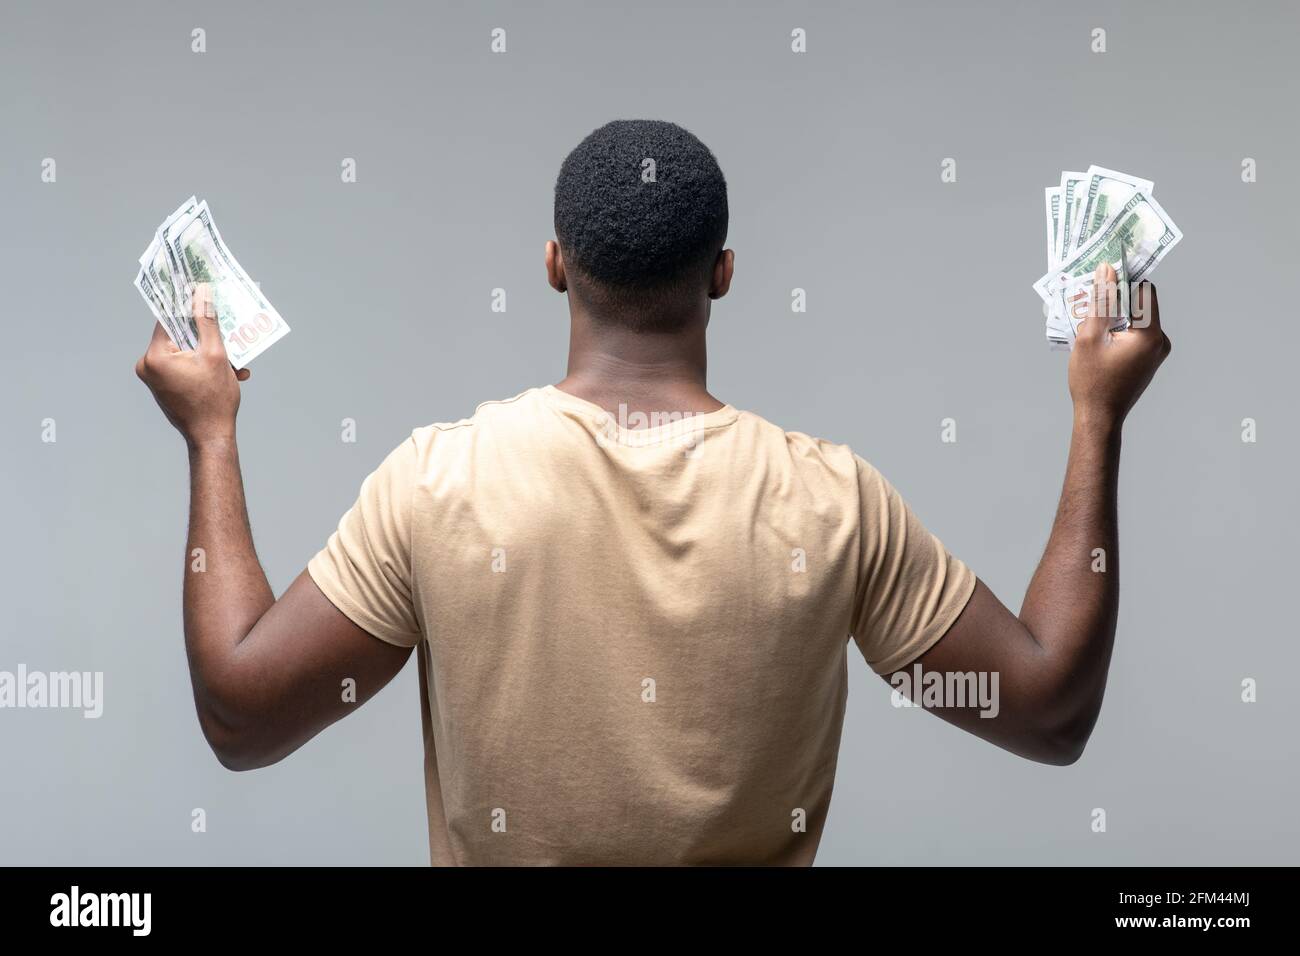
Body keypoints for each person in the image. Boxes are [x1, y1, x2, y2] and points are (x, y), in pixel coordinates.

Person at [134, 119, 1171, 865]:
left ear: (554, 265)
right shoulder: (833, 501)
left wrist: (211, 432)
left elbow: (242, 718)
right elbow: (1046, 710)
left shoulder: (440, 479)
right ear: (721, 273)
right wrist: (1097, 416)